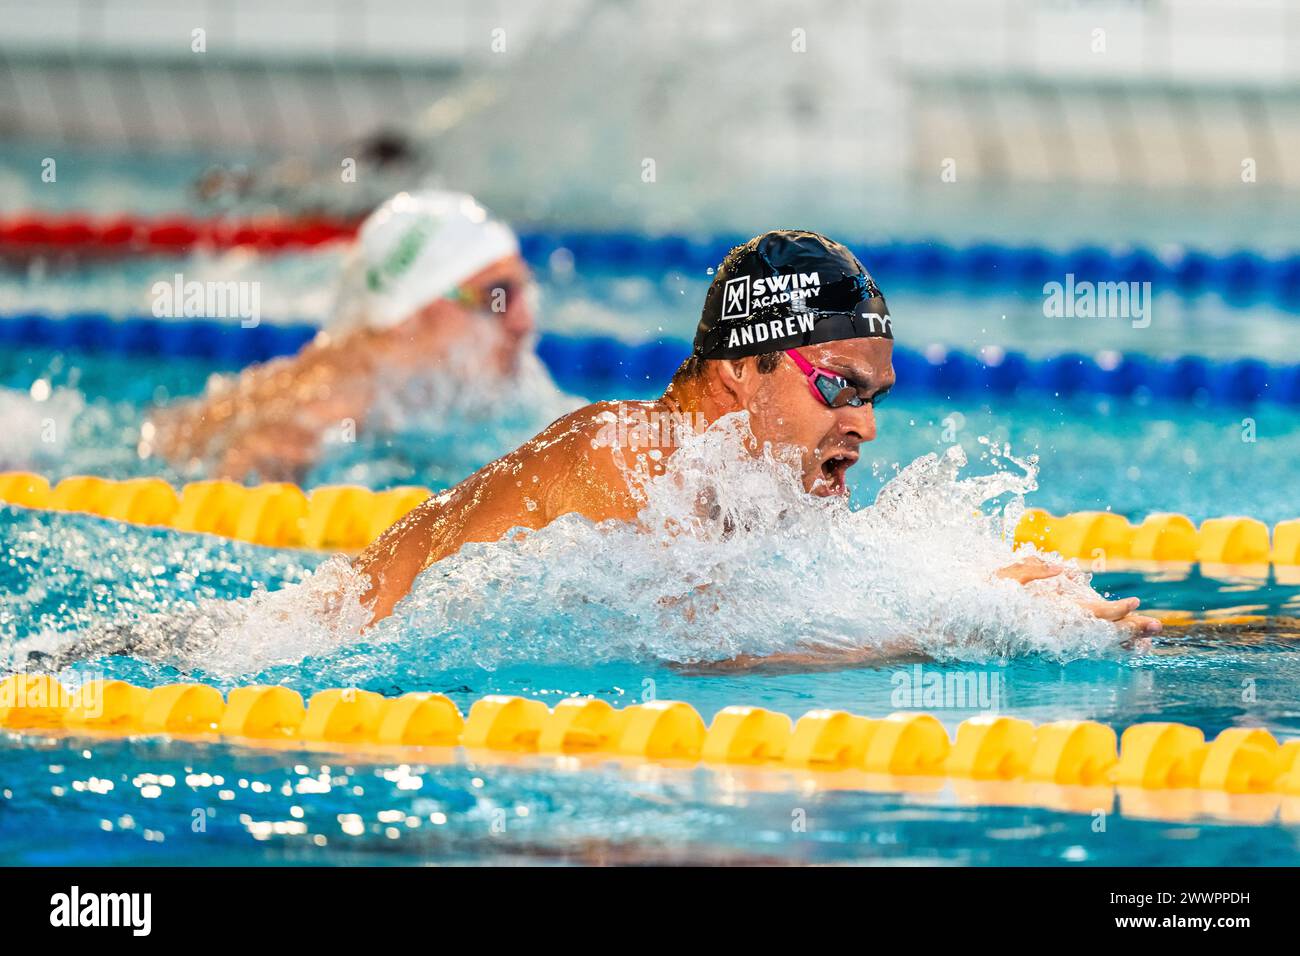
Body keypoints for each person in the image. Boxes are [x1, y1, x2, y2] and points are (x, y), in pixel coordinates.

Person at [354, 228, 1163, 639]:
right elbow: (694, 633)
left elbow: (821, 594)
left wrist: (1006, 587)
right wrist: (953, 624)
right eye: (840, 387)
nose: (865, 425)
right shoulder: (622, 450)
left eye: (874, 395)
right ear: (744, 368)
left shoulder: (759, 486)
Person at [146, 190, 537, 483]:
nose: (522, 320)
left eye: (524, 291)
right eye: (496, 296)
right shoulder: (331, 405)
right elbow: (230, 505)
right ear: (406, 312)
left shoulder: (418, 389)